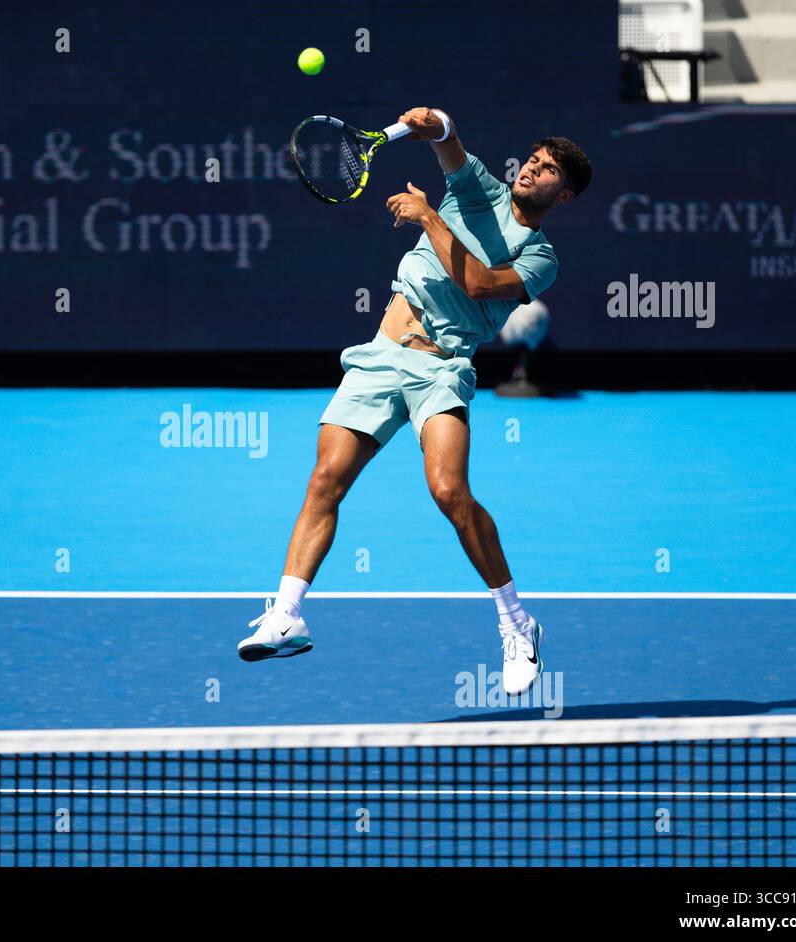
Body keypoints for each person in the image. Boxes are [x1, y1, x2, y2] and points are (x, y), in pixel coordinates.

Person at [238, 107, 592, 696]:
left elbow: (478, 285)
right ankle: (288, 614)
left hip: (442, 367)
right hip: (380, 353)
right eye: (532, 160)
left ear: (567, 196)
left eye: (549, 170)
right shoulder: (479, 187)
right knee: (326, 480)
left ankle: (517, 623)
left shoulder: (542, 258)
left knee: (449, 492)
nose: (533, 170)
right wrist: (438, 121)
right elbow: (450, 141)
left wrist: (429, 216)